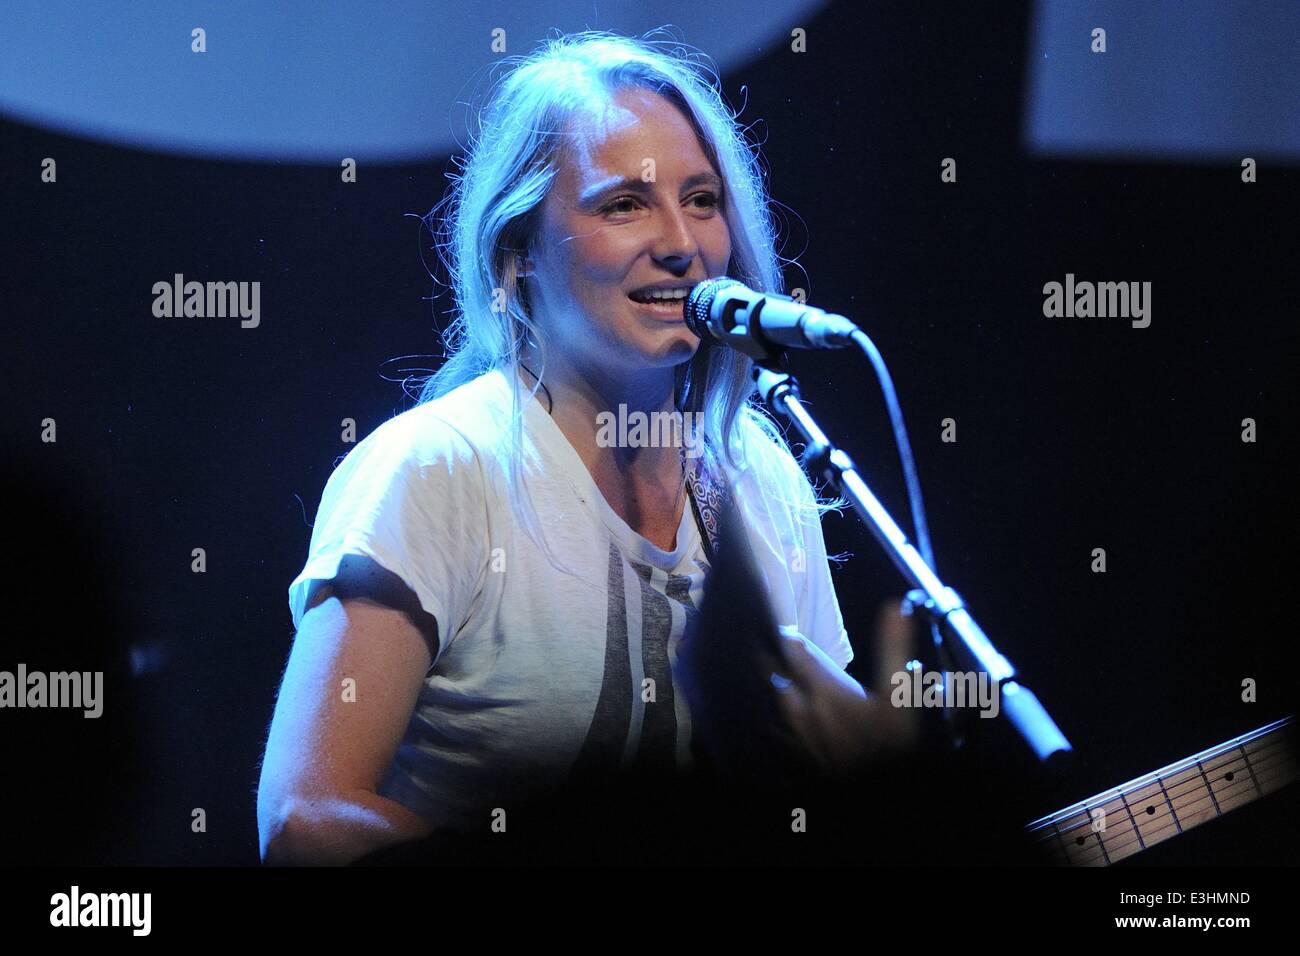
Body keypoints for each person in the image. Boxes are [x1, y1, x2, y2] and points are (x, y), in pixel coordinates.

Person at [256, 30, 892, 867]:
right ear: (516, 255)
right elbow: (307, 821)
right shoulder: (437, 468)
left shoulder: (761, 478)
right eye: (624, 203)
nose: (682, 242)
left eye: (703, 199)